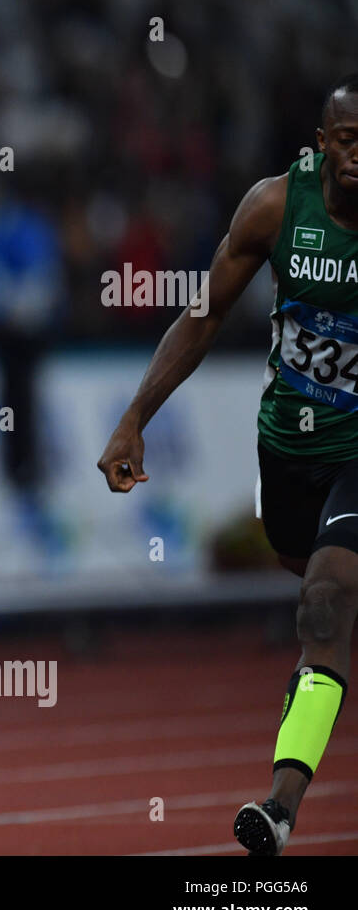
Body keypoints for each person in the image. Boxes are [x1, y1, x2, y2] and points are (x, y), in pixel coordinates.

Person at [99, 75, 358, 855]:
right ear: (321, 144)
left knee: (324, 605)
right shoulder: (275, 207)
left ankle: (279, 807)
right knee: (299, 563)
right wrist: (135, 416)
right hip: (286, 441)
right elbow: (202, 314)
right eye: (348, 140)